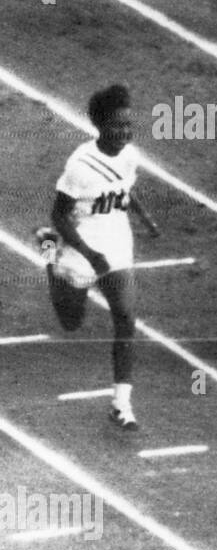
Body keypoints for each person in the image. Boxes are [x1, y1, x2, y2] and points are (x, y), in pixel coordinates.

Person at [37, 84, 159, 430]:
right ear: (101, 125)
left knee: (126, 318)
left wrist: (145, 218)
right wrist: (90, 255)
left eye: (128, 125)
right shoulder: (80, 165)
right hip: (81, 246)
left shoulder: (130, 154)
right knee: (71, 322)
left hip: (117, 242)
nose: (126, 131)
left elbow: (123, 190)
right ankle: (49, 254)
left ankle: (122, 403)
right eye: (118, 125)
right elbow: (59, 215)